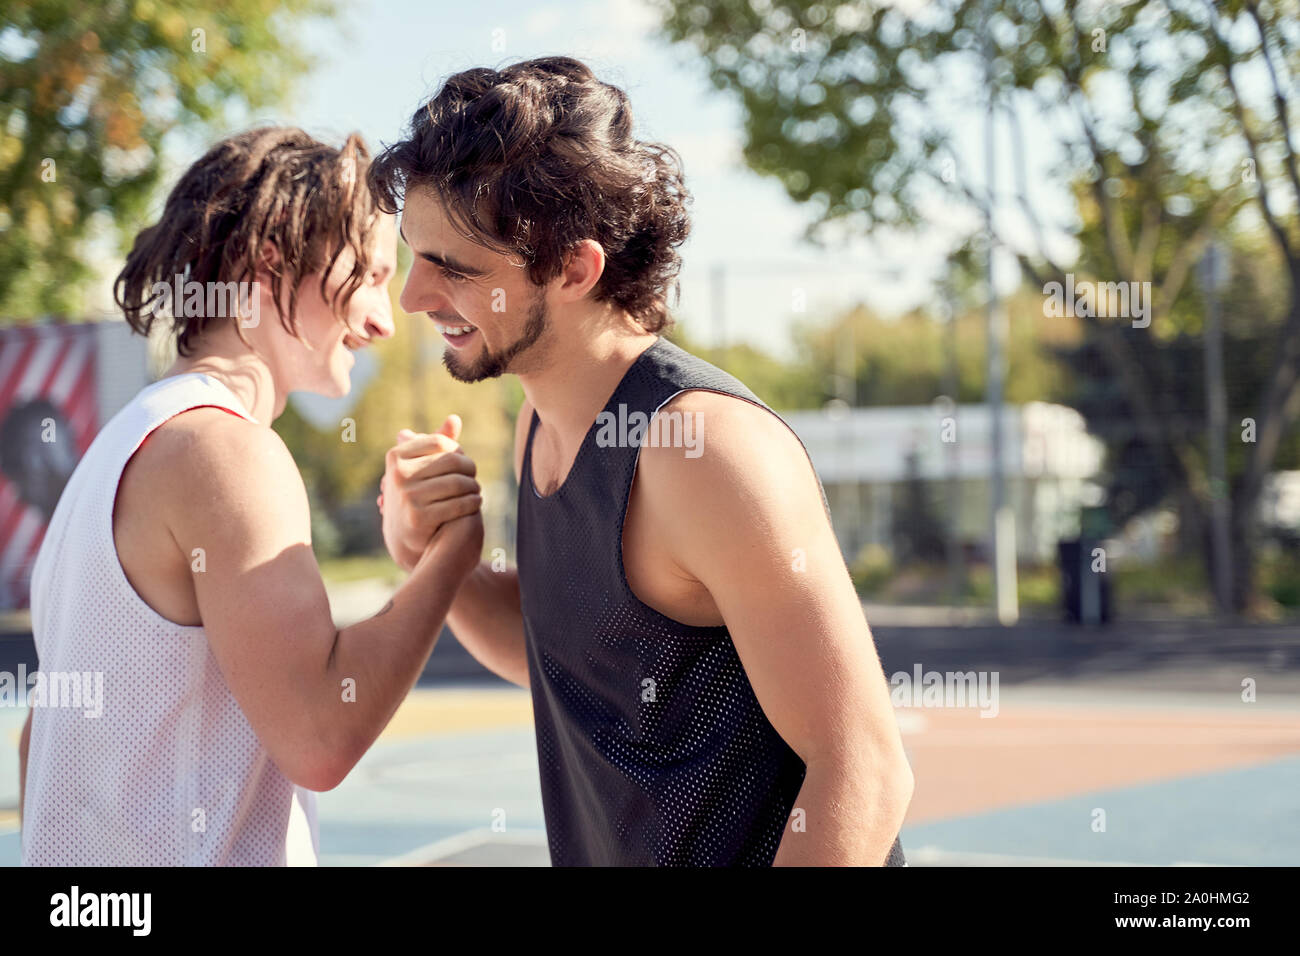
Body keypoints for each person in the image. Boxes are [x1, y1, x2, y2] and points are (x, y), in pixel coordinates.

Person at [371, 57, 913, 866]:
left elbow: (862, 771)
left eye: (452, 266)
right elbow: (574, 662)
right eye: (415, 256)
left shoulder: (704, 453)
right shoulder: (539, 424)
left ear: (574, 269)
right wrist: (433, 553)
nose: (412, 297)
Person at [18, 127, 483, 865]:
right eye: (366, 275)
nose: (383, 319)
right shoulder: (228, 452)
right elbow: (320, 736)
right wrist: (449, 552)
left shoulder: (113, 454)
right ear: (270, 264)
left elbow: (37, 745)